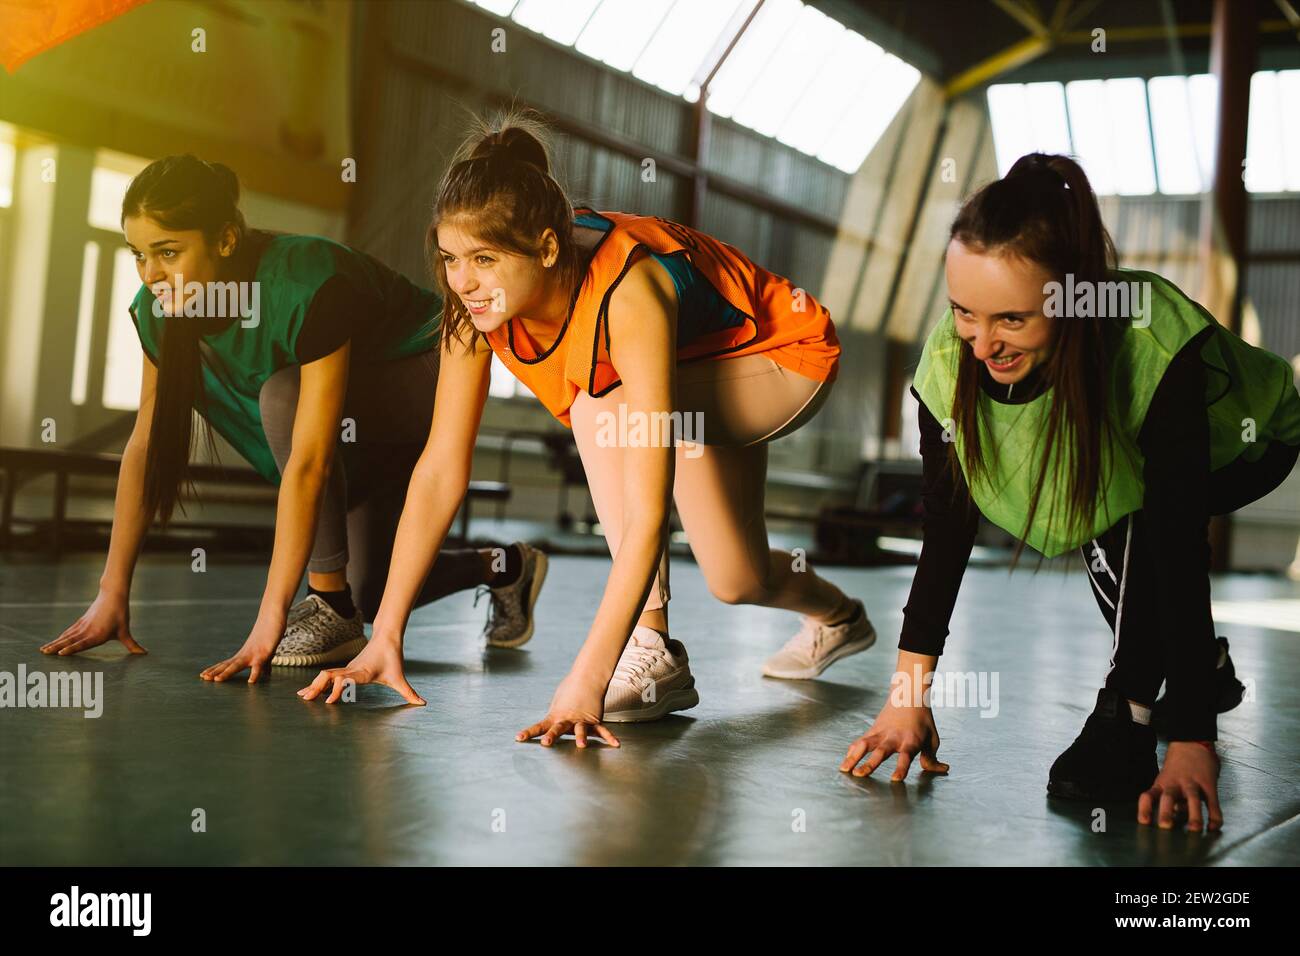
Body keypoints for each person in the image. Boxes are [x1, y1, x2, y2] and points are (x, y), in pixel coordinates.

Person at [299, 111, 875, 740]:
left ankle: (652, 652)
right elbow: (439, 469)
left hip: (779, 358)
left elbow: (649, 508)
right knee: (737, 578)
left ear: (547, 249)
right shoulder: (471, 312)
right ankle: (840, 617)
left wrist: (586, 680)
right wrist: (385, 633)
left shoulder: (626, 294)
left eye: (484, 259)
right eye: (450, 257)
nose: (463, 281)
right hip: (689, 369)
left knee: (600, 400)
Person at [839, 153, 1300, 833]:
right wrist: (907, 698)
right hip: (1116, 466)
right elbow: (946, 533)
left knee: (1135, 521)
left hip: (1246, 444)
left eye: (1012, 321)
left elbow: (1174, 541)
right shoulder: (947, 363)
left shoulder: (1147, 344)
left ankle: (1129, 705)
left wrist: (1192, 742)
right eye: (965, 311)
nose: (982, 344)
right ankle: (1198, 664)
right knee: (1117, 507)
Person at [40, 155, 547, 700]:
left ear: (227, 240)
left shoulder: (306, 281)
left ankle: (328, 605)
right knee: (373, 593)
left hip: (422, 377)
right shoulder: (158, 312)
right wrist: (112, 591)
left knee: (283, 394)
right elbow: (144, 447)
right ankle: (508, 565)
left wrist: (272, 615)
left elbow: (310, 462)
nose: (150, 274)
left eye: (169, 252)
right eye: (138, 255)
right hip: (348, 426)